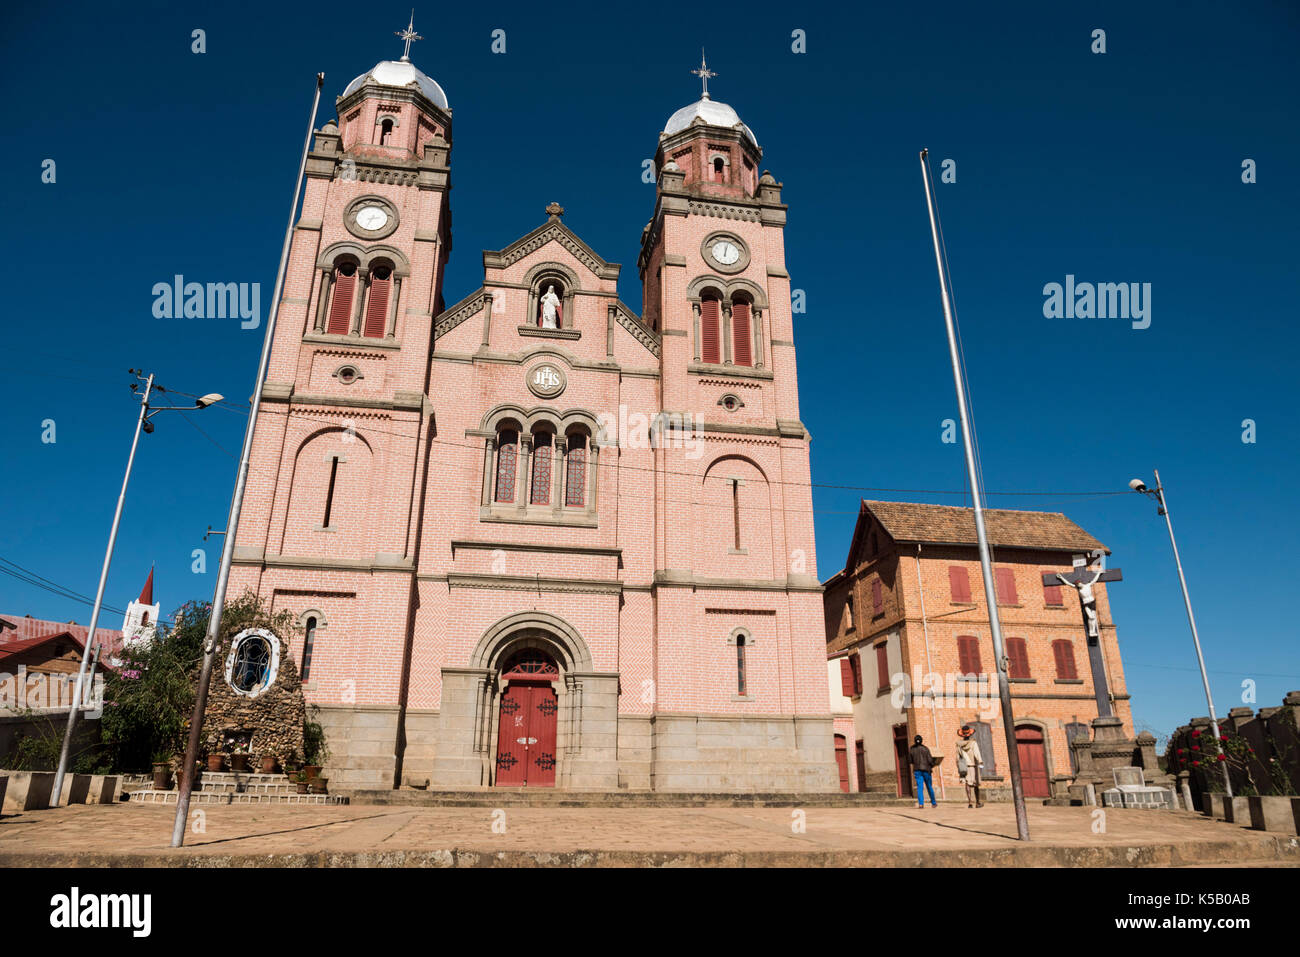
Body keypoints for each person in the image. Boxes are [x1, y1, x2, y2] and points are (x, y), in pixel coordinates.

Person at [955, 724, 984, 807]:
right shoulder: (973, 743)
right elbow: (977, 753)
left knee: (967, 784)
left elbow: (957, 756)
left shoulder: (959, 744)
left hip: (964, 765)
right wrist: (980, 761)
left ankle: (970, 802)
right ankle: (977, 802)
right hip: (973, 765)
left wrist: (958, 765)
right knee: (975, 784)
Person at [908, 734, 937, 808]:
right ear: (921, 741)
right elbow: (930, 760)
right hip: (926, 770)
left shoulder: (912, 749)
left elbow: (910, 760)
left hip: (917, 770)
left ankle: (921, 804)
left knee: (920, 787)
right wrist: (934, 763)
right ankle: (933, 803)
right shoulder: (925, 749)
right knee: (929, 786)